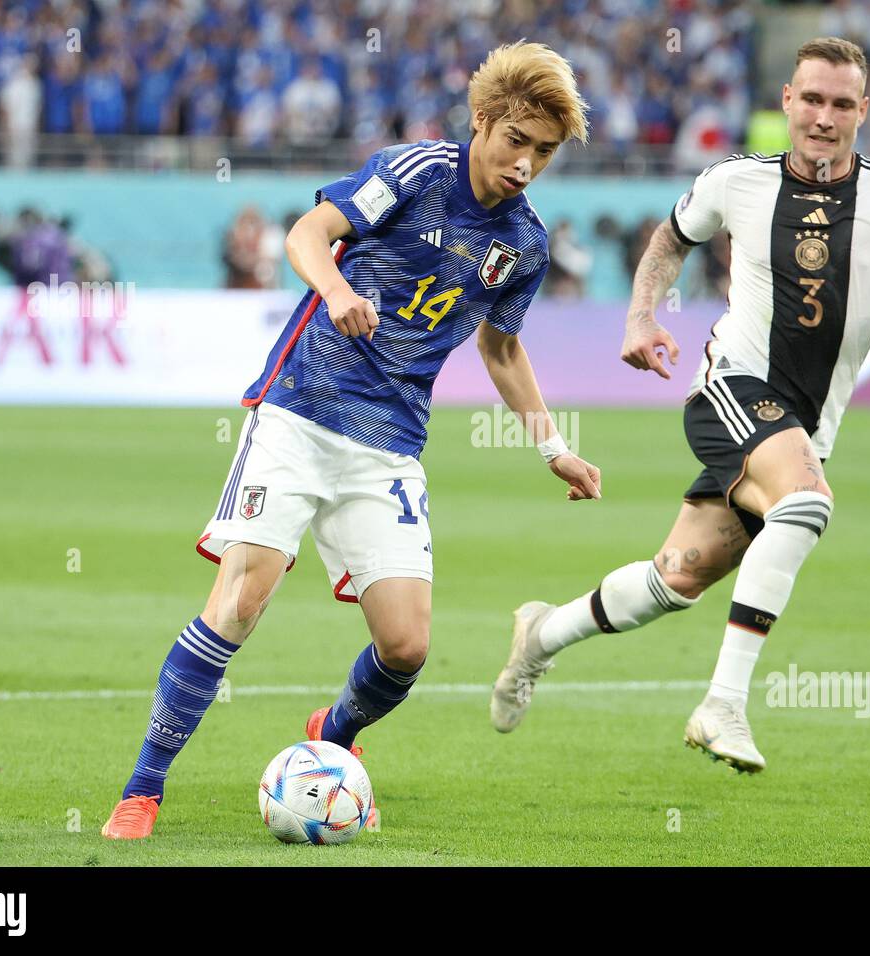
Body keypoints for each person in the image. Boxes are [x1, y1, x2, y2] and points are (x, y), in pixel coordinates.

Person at [102, 42, 597, 839]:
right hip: (299, 412)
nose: (527, 164)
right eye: (517, 141)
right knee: (240, 601)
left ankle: (329, 744)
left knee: (406, 647)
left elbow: (500, 349)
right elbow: (306, 232)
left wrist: (551, 447)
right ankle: (143, 789)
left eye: (543, 151)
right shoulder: (416, 171)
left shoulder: (527, 245)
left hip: (389, 443)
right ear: (482, 123)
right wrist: (333, 287)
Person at [490, 37, 870, 773]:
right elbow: (668, 240)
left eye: (841, 104)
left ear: (863, 112)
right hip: (733, 389)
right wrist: (640, 318)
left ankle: (540, 637)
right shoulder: (737, 181)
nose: (823, 117)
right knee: (808, 503)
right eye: (811, 99)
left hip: (807, 426)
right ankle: (722, 704)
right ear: (787, 100)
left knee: (675, 577)